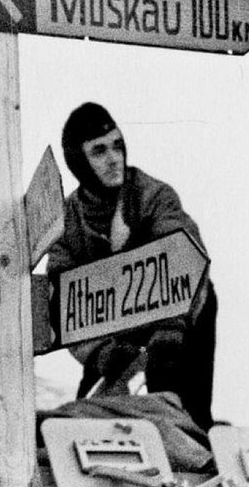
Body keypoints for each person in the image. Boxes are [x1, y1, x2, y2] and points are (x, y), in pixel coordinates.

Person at [46, 102, 218, 431]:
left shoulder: (153, 197)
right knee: (86, 419)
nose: (114, 158)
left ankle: (197, 434)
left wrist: (171, 330)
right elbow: (65, 306)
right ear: (79, 161)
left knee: (183, 416)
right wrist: (100, 354)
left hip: (178, 322)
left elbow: (184, 264)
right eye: (99, 151)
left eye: (117, 145)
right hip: (110, 332)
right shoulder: (66, 220)